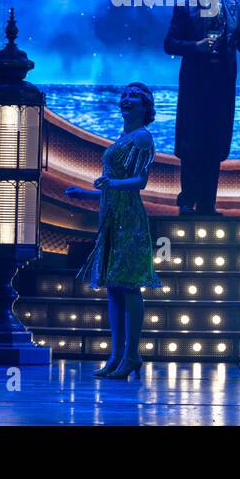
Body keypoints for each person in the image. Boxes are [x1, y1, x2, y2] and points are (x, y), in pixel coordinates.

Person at [65, 83, 159, 380]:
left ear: (145, 107)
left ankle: (131, 355)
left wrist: (112, 184)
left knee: (128, 285)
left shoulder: (142, 137)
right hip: (111, 215)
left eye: (135, 97)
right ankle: (117, 355)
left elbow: (140, 182)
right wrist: (85, 193)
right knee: (114, 287)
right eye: (125, 96)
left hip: (128, 217)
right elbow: (111, 185)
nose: (127, 100)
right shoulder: (124, 137)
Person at [163, 0, 240, 216]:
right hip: (194, 88)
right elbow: (169, 44)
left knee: (215, 143)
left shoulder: (234, 9)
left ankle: (208, 204)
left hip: (223, 89)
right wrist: (196, 46)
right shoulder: (186, 8)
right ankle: (187, 200)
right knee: (191, 142)